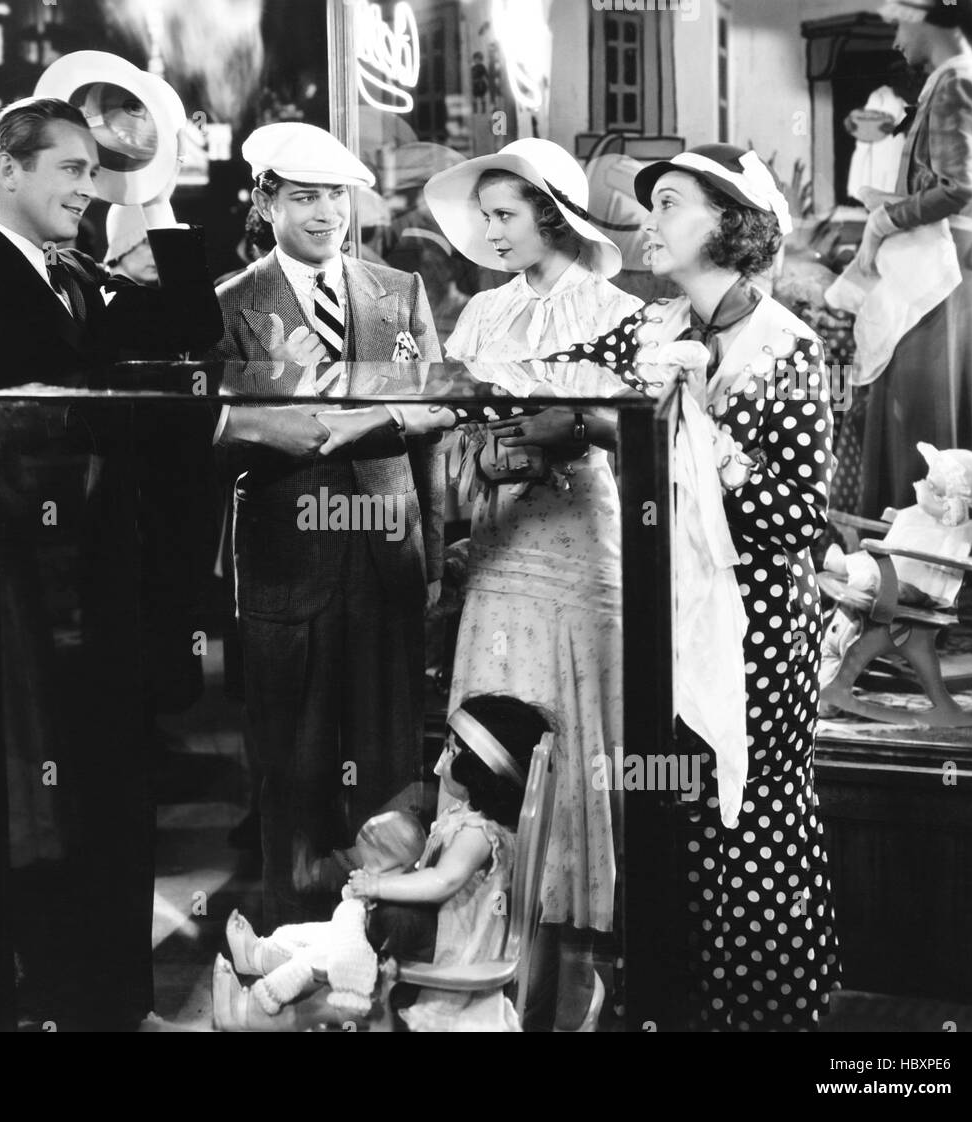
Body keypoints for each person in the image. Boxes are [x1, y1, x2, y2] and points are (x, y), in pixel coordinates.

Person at [0, 95, 221, 1025]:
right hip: (21, 589)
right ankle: (41, 1000)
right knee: (36, 801)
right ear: (6, 169)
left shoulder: (76, 275)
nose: (88, 190)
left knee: (112, 789)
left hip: (96, 579)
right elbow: (39, 413)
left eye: (97, 173)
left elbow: (191, 324)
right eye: (70, 169)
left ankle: (112, 997)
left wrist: (157, 199)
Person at [552, 143, 841, 1030]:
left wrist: (706, 419)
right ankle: (684, 1006)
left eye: (671, 203)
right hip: (665, 610)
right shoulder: (655, 324)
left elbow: (796, 521)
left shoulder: (788, 350)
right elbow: (556, 371)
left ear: (731, 223)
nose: (652, 220)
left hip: (757, 626)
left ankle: (772, 1013)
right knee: (678, 814)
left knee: (752, 818)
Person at [423, 138, 643, 1032]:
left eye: (506, 214)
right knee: (494, 733)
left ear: (552, 214)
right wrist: (478, 449)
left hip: (583, 551)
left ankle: (586, 974)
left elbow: (639, 444)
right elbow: (445, 433)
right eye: (486, 215)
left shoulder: (623, 313)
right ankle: (479, 970)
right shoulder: (479, 315)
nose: (491, 231)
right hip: (503, 549)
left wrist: (565, 431)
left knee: (579, 743)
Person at [208, 121, 445, 927]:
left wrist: (436, 550)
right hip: (285, 556)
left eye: (335, 198)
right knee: (292, 760)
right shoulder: (231, 305)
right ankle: (293, 944)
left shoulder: (399, 289)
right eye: (303, 197)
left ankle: (389, 941)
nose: (324, 215)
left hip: (389, 545)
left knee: (389, 758)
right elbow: (214, 434)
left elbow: (438, 418)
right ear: (266, 200)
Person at [213, 694, 549, 1032]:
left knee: (347, 946)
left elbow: (442, 881)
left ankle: (257, 1014)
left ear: (479, 770)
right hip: (433, 936)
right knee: (342, 931)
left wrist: (378, 885)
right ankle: (260, 959)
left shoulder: (478, 832)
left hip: (448, 953)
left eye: (450, 753)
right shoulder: (467, 820)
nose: (438, 764)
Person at [852, 0, 972, 518]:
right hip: (960, 269)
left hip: (943, 280)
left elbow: (960, 185)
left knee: (922, 420)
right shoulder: (971, 78)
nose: (896, 40)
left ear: (918, 14)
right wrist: (891, 202)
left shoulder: (954, 81)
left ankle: (917, 558)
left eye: (896, 23)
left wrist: (888, 219)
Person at [215, 810, 429, 1029]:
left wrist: (386, 957)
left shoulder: (403, 909)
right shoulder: (391, 885)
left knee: (308, 960)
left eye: (372, 864)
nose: (365, 869)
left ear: (405, 866)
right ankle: (256, 954)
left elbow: (396, 946)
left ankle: (256, 1008)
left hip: (370, 971)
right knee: (298, 935)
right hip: (359, 941)